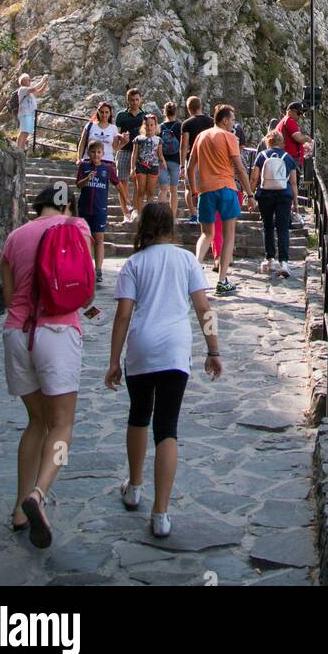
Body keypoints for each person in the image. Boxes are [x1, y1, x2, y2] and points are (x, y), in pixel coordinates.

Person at [105, 202, 221, 538]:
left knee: (139, 415)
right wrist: (213, 349)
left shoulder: (134, 264)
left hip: (141, 348)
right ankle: (161, 512)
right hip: (174, 349)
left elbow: (123, 315)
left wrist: (114, 361)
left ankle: (135, 485)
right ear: (171, 227)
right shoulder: (186, 260)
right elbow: (203, 308)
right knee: (167, 428)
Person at [0, 182, 93, 548]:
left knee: (36, 421)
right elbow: (84, 287)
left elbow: (8, 297)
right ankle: (39, 494)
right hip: (57, 331)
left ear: (37, 206)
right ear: (67, 206)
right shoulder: (77, 228)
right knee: (62, 424)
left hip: (17, 335)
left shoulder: (14, 237)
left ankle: (19, 510)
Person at [187, 103, 255, 294]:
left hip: (205, 190)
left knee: (206, 234)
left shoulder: (201, 136)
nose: (233, 123)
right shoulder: (229, 137)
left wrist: (193, 191)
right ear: (224, 120)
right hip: (226, 188)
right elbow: (240, 168)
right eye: (232, 119)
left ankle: (195, 269)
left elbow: (191, 167)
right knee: (228, 234)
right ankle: (222, 280)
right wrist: (250, 194)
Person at [251, 130, 299, 278]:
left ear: (268, 142)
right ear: (282, 143)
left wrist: (249, 195)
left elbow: (254, 178)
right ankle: (284, 262)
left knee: (268, 226)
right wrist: (295, 202)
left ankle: (269, 258)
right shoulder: (288, 158)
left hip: (265, 195)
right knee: (283, 228)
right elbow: (293, 182)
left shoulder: (261, 156)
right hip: (284, 195)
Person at [76, 139, 121, 285]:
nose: (96, 155)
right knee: (86, 239)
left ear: (103, 153)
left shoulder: (107, 168)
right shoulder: (83, 166)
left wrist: (126, 201)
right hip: (84, 208)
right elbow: (78, 185)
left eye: (99, 152)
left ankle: (99, 270)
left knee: (99, 239)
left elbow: (118, 184)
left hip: (100, 208)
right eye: (93, 152)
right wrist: (86, 180)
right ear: (89, 153)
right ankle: (87, 268)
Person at [179, 96, 214, 222]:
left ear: (189, 109)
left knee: (189, 188)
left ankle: (194, 214)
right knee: (208, 187)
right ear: (201, 106)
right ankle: (206, 213)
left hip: (192, 160)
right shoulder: (211, 122)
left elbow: (184, 146)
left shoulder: (187, 124)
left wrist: (182, 165)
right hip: (209, 159)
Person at [115, 89, 145, 222]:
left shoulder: (145, 116)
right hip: (124, 151)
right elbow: (116, 135)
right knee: (122, 184)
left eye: (137, 99)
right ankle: (126, 213)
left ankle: (136, 212)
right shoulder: (121, 116)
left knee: (138, 185)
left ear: (141, 100)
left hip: (140, 153)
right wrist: (121, 138)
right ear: (128, 100)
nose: (134, 102)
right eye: (132, 100)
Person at [131, 112, 166, 216]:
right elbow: (134, 154)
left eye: (151, 125)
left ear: (155, 126)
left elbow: (160, 154)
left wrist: (163, 161)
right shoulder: (138, 139)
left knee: (150, 192)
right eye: (147, 124)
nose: (149, 127)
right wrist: (132, 167)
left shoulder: (158, 140)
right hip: (141, 166)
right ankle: (140, 213)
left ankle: (149, 215)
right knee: (140, 191)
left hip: (153, 167)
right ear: (143, 125)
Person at [157, 102, 182, 217]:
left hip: (162, 161)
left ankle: (160, 216)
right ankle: (173, 217)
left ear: (164, 112)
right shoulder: (179, 125)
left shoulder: (160, 126)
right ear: (176, 112)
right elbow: (183, 144)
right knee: (174, 190)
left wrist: (160, 159)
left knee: (163, 189)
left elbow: (157, 145)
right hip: (176, 160)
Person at [15, 73, 49, 151]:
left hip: (30, 113)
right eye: (28, 79)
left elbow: (39, 92)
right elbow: (33, 89)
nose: (30, 81)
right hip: (25, 113)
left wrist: (45, 83)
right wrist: (41, 81)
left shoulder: (28, 91)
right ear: (23, 81)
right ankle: (17, 150)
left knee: (26, 133)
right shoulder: (22, 89)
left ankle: (21, 150)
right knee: (23, 131)